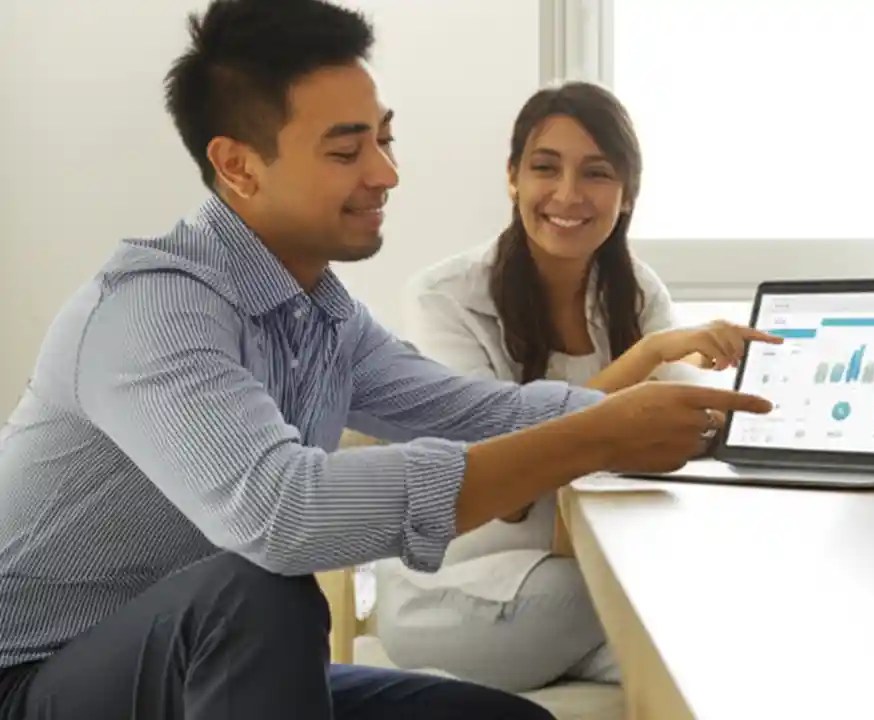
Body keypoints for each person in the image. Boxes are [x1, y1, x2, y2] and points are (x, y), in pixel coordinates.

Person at [0, 2, 771, 719]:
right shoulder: (152, 307)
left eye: (384, 139)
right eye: (347, 150)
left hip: (197, 657)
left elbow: (487, 409)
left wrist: (678, 425)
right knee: (262, 592)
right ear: (238, 166)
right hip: (33, 675)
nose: (386, 174)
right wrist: (599, 436)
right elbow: (284, 514)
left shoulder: (324, 317)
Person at [374, 81, 781, 693]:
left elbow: (675, 429)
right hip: (459, 590)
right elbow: (499, 485)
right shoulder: (443, 298)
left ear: (626, 196)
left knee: (713, 640)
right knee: (667, 607)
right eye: (545, 168)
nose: (568, 195)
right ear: (512, 177)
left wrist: (737, 419)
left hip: (587, 570)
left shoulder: (636, 292)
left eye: (596, 173)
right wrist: (645, 359)